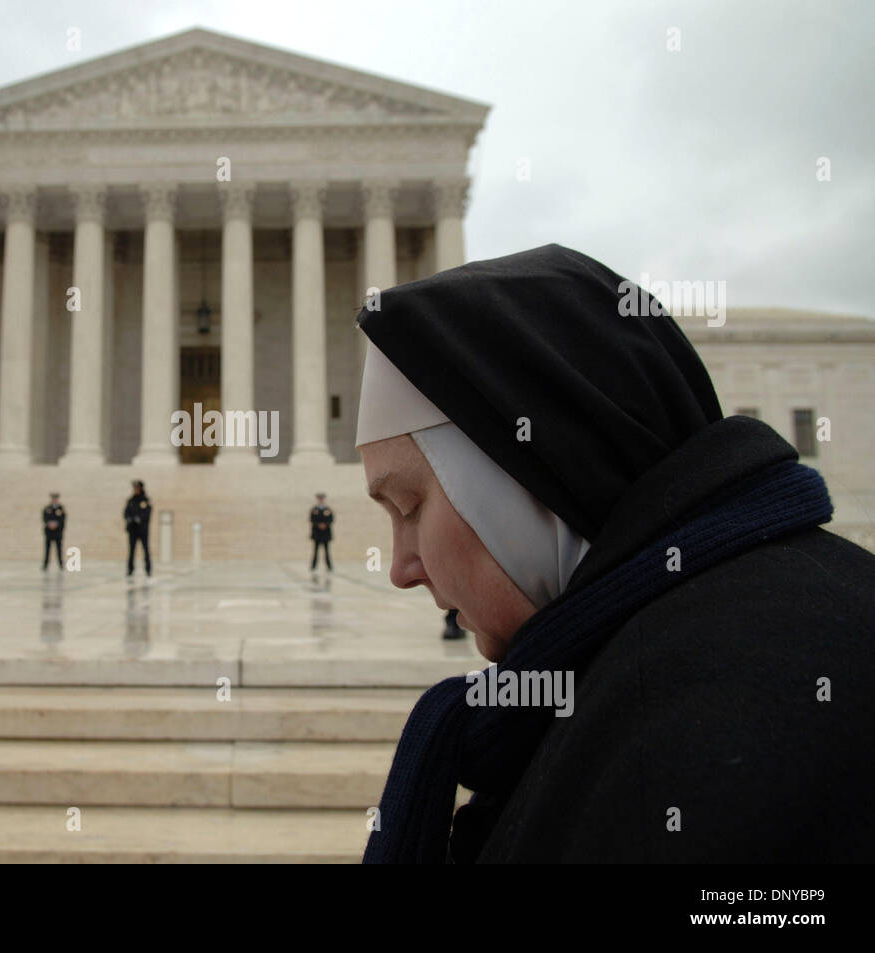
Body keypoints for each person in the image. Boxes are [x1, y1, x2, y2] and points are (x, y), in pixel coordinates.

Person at [356, 244, 875, 863]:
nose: (400, 569)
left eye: (410, 506)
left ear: (522, 485)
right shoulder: (651, 653)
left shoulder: (701, 726)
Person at [124, 479, 152, 577]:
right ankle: (130, 569)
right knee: (131, 550)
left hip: (142, 530)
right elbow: (126, 512)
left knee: (145, 550)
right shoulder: (131, 500)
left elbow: (147, 513)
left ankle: (148, 569)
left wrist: (139, 519)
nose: (136, 490)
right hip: (133, 530)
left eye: (137, 488)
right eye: (135, 488)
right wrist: (129, 519)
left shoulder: (145, 500)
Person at [309, 492, 334, 571]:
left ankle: (329, 566)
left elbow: (331, 519)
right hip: (317, 534)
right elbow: (312, 519)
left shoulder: (328, 510)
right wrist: (318, 525)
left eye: (322, 499)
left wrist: (325, 525)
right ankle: (313, 566)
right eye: (319, 499)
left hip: (325, 534)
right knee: (315, 551)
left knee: (327, 551)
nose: (321, 500)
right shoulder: (314, 510)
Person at [42, 492, 65, 570]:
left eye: (55, 499)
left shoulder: (61, 508)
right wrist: (50, 524)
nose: (54, 500)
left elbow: (63, 519)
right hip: (49, 533)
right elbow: (45, 518)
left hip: (57, 533)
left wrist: (56, 525)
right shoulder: (47, 508)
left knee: (59, 549)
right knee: (47, 550)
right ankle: (45, 565)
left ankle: (61, 564)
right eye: (53, 499)